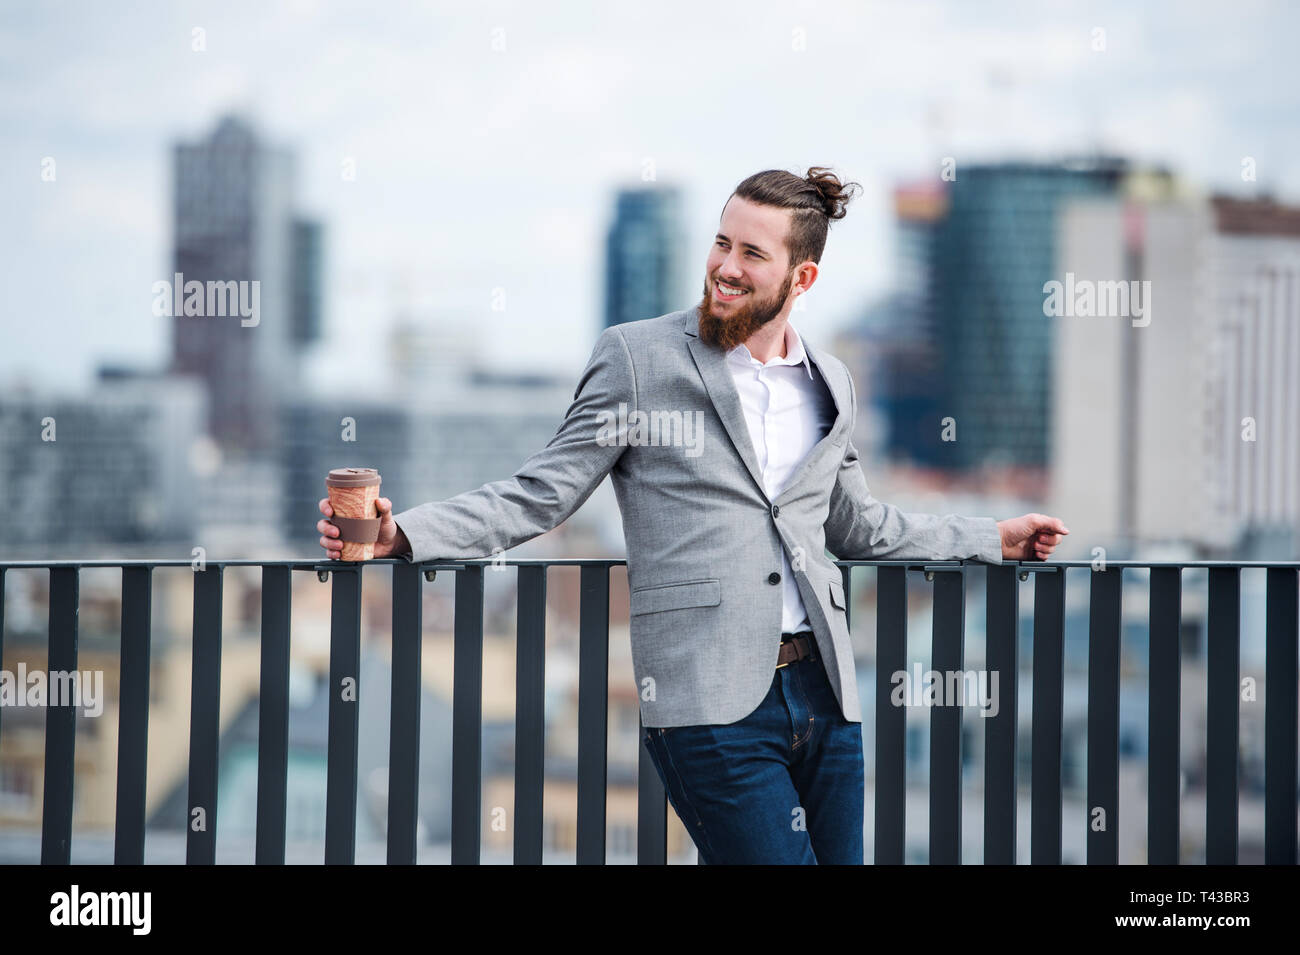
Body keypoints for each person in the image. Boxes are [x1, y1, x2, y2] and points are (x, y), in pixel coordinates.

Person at [317, 166, 1068, 864]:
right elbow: (539, 492)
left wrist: (988, 538)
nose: (726, 265)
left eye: (753, 253)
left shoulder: (830, 381)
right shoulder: (638, 359)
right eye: (721, 241)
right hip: (708, 703)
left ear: (801, 278)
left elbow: (855, 525)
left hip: (827, 697)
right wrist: (401, 532)